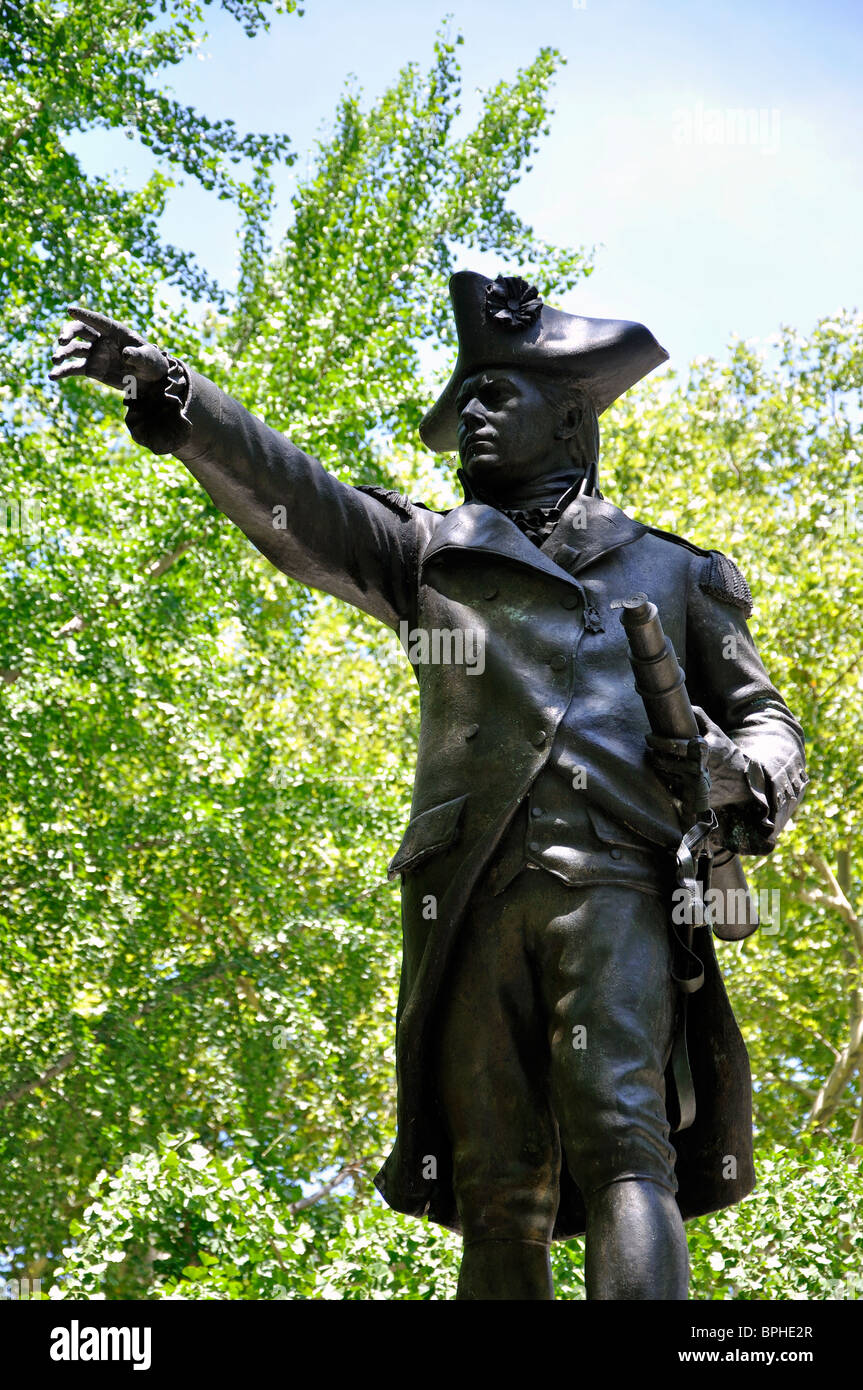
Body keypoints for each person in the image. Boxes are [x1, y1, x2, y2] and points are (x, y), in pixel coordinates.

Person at [51, 271, 807, 1299]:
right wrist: (183, 398)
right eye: (466, 399)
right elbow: (302, 503)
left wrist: (732, 770)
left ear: (571, 416)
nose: (473, 416)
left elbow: (768, 722)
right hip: (467, 897)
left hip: (617, 881)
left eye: (496, 394)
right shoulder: (427, 554)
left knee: (623, 1137)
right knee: (495, 1186)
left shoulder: (673, 572)